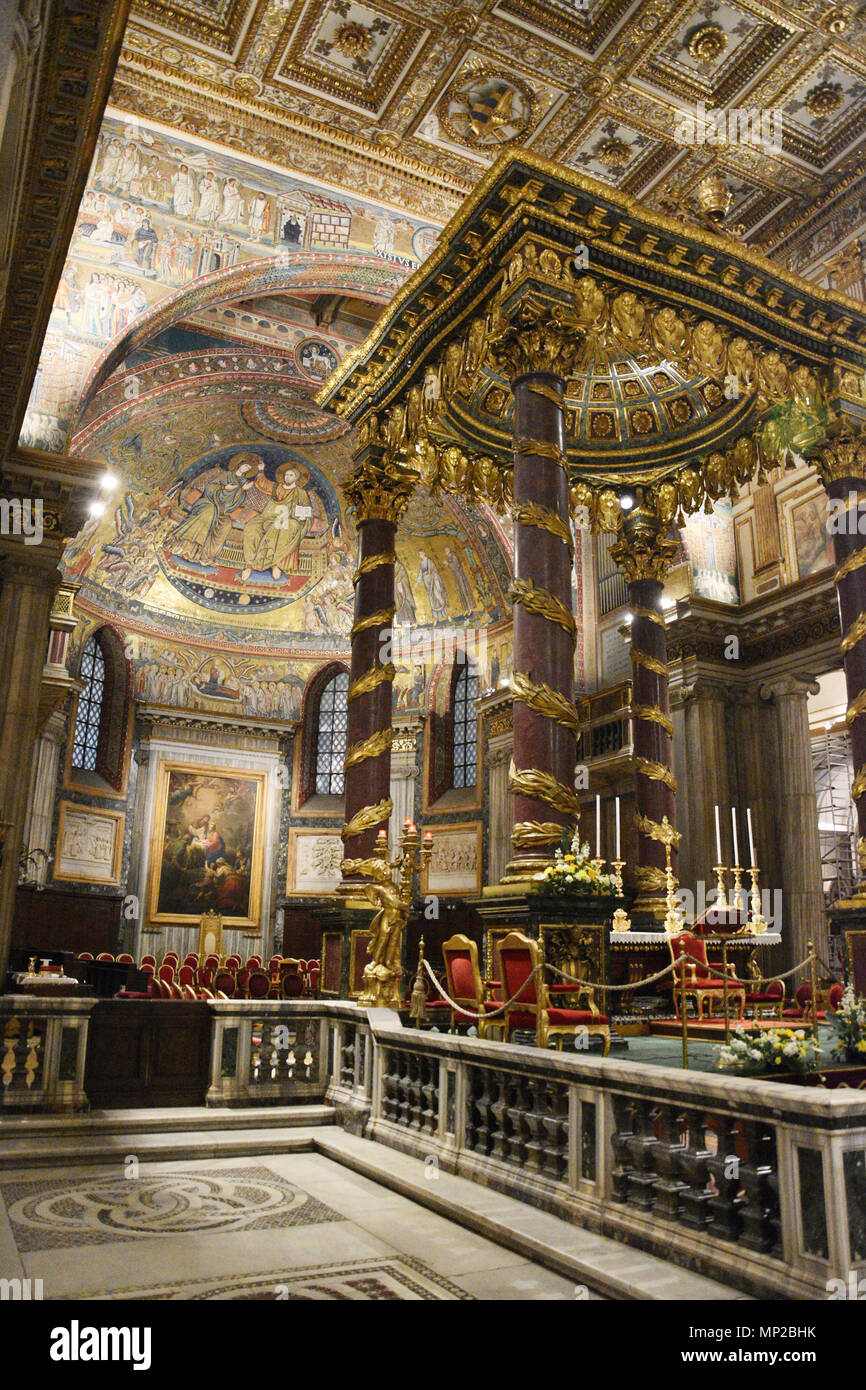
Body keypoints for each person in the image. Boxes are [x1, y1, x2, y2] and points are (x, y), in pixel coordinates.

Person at [240, 462, 313, 580]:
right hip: (268, 516)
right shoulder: (276, 487)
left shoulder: (301, 493)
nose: (287, 477)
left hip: (288, 519)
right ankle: (250, 564)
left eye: (291, 475)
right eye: (286, 475)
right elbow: (263, 484)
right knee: (251, 527)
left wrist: (303, 518)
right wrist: (260, 471)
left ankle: (274, 564)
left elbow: (307, 510)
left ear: (296, 478)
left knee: (283, 527)